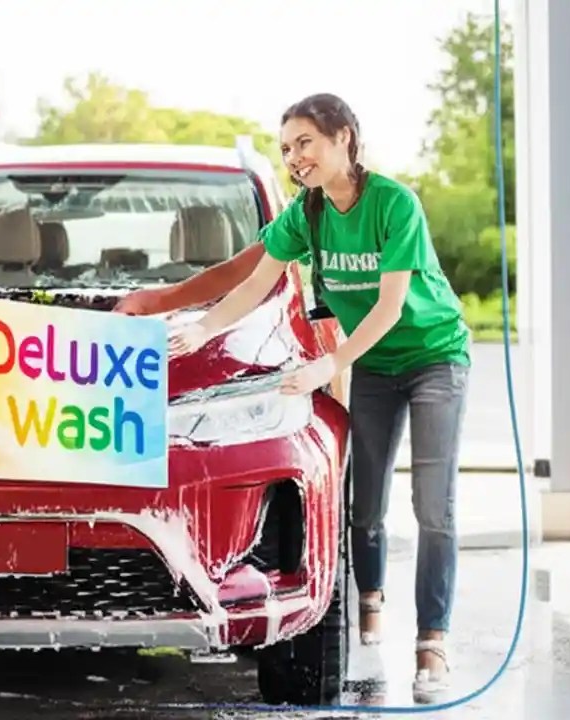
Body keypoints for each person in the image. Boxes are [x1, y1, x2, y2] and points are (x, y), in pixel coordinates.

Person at [143, 93, 470, 703]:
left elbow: (390, 305)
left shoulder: (395, 205)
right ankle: (370, 600)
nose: (294, 158)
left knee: (434, 505)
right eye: (287, 148)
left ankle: (432, 643)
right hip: (373, 364)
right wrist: (202, 328)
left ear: (344, 137)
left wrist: (328, 363)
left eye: (305, 143)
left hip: (434, 359)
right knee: (365, 504)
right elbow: (257, 281)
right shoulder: (306, 214)